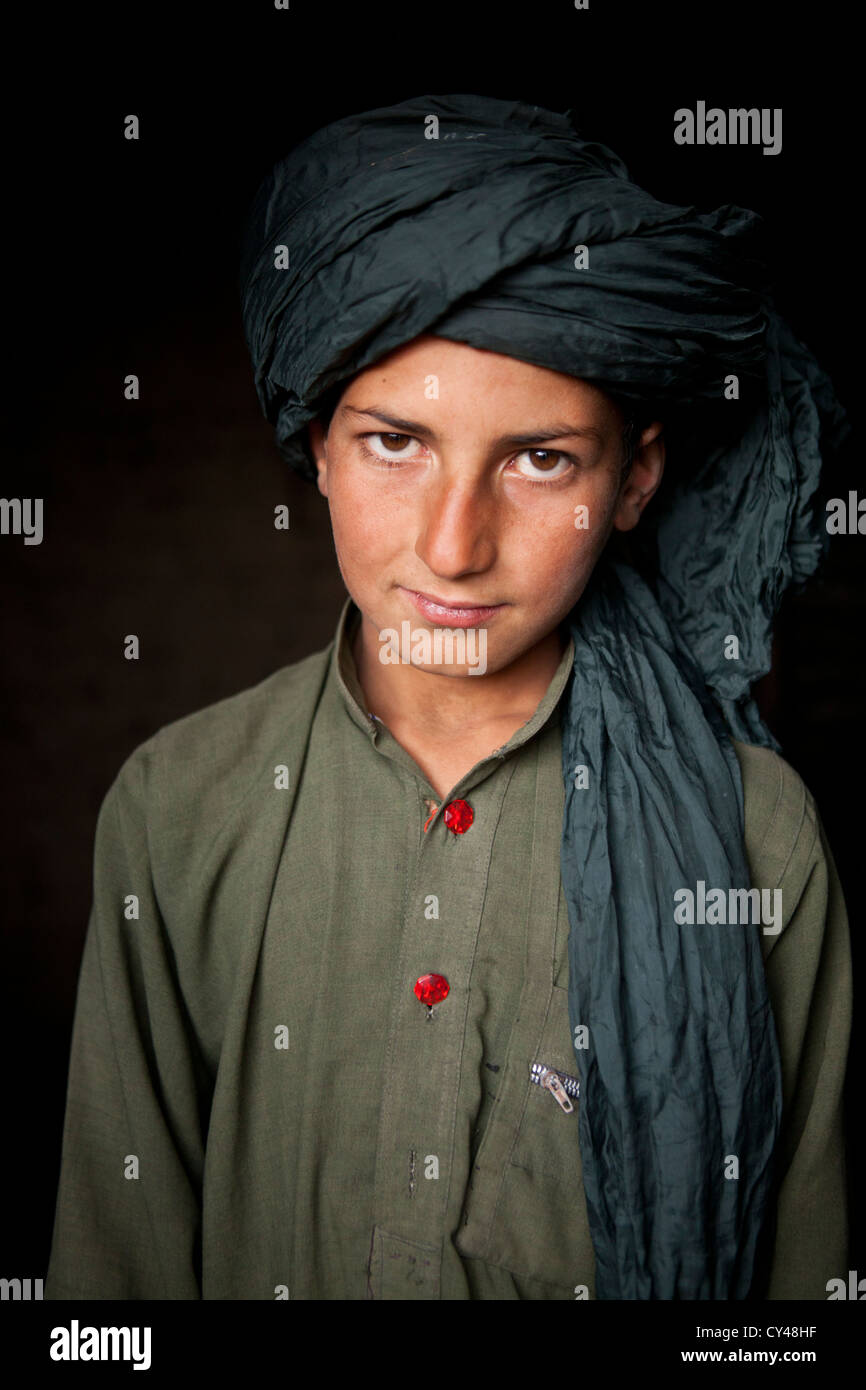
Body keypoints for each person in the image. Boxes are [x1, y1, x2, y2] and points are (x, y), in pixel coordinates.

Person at [45, 93, 851, 1301]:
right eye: (392, 443)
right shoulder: (177, 810)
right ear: (314, 444)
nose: (454, 544)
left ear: (633, 479)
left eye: (539, 459)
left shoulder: (755, 836)